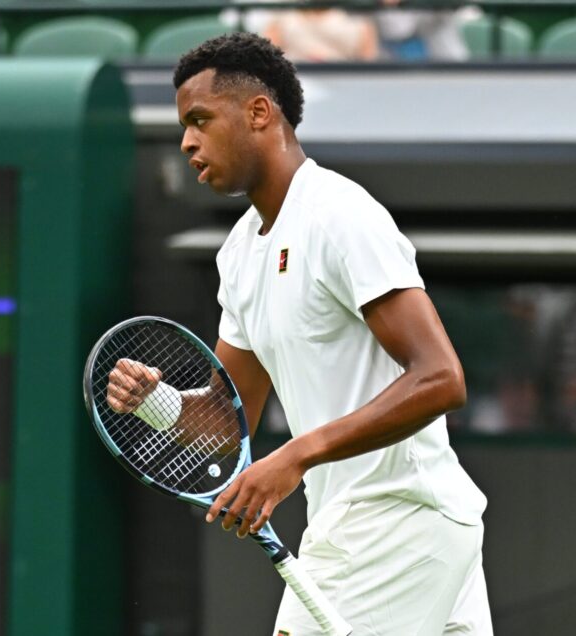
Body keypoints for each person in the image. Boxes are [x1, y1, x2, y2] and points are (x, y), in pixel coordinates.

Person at [107, 32, 493, 635]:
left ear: (260, 113)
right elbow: (224, 420)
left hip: (395, 521)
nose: (186, 141)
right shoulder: (238, 256)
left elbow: (441, 378)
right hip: (394, 525)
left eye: (200, 120)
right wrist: (154, 403)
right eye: (184, 126)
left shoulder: (341, 215)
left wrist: (295, 456)